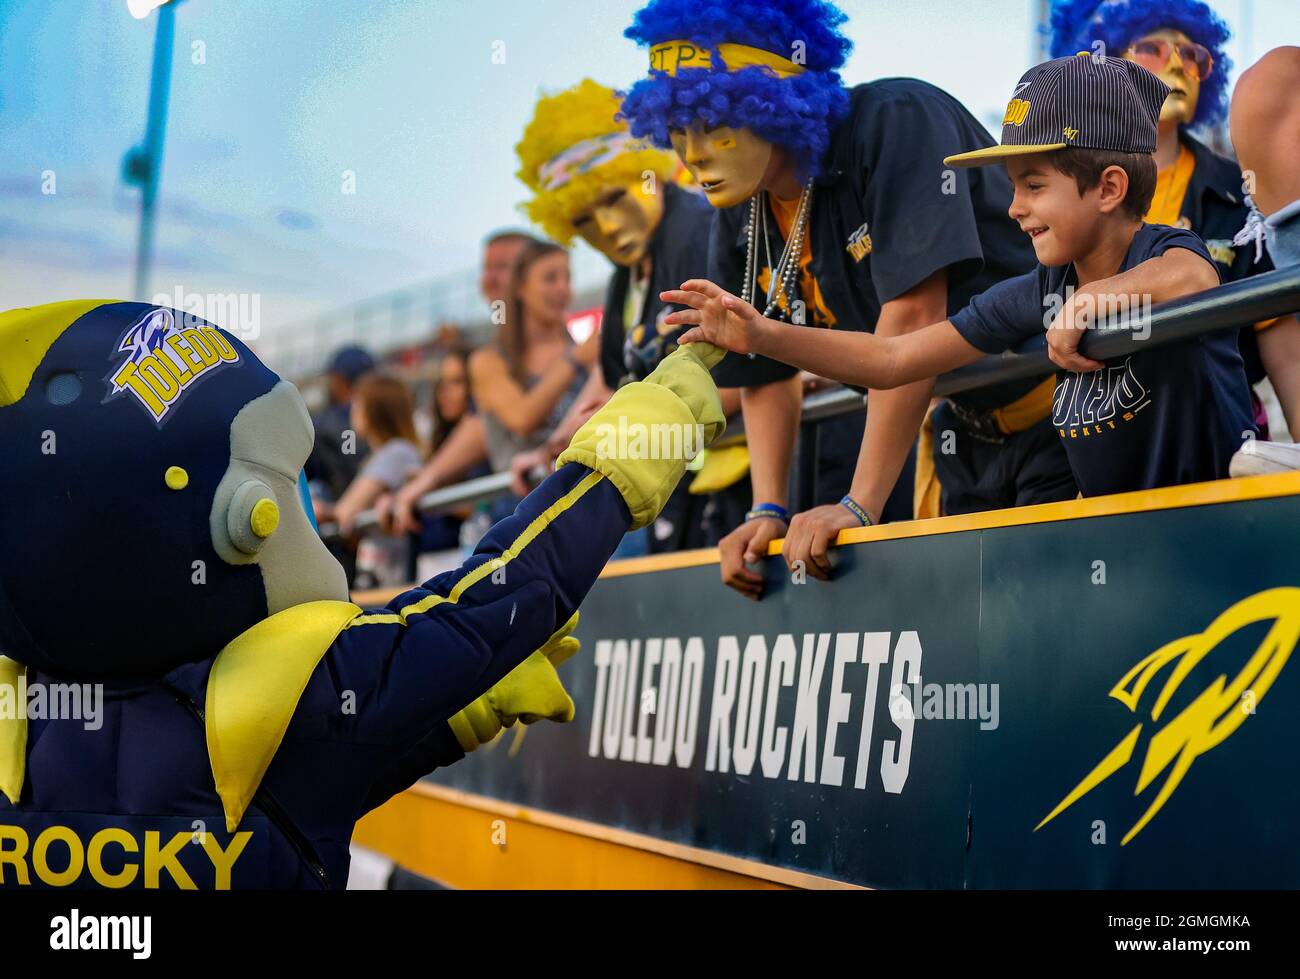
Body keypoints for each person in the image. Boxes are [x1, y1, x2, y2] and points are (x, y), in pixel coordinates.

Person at [0, 298, 725, 889]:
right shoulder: (294, 698)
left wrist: (450, 721)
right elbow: (502, 595)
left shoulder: (18, 714)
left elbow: (306, 778)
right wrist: (639, 439)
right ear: (242, 521)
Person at [670, 55, 1254, 539]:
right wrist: (764, 336)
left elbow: (1193, 277)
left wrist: (1099, 298)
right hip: (1133, 542)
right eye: (1012, 188)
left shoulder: (1164, 249)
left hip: (1223, 529)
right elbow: (895, 359)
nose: (1013, 208)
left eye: (1033, 186)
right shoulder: (1035, 291)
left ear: (1108, 187)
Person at [619, 0, 1076, 600]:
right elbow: (760, 370)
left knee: (1058, 623)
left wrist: (859, 505)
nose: (693, 153)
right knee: (973, 630)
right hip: (959, 430)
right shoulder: (742, 209)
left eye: (715, 124)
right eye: (679, 130)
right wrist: (767, 507)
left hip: (1066, 408)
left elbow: (912, 319)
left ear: (776, 103)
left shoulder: (895, 118)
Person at [513, 78, 746, 552]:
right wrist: (557, 442)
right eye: (582, 221)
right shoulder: (626, 273)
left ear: (651, 172)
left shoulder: (703, 232)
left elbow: (752, 373)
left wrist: (626, 422)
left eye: (616, 198)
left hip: (758, 487)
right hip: (686, 494)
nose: (608, 228)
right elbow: (616, 372)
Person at [1051, 0, 1300, 436]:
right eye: (1152, 49)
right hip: (1099, 444)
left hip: (1218, 441)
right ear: (1105, 62)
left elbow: (1286, 351)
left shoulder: (1242, 190)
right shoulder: (1058, 193)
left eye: (1195, 56)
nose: (1179, 67)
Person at [383, 231, 545, 536]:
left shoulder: (567, 350)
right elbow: (483, 423)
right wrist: (424, 482)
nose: (489, 279)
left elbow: (516, 418)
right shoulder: (497, 354)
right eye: (487, 268)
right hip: (518, 529)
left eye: (503, 267)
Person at [469, 240, 598, 519]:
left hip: (588, 495)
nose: (563, 288)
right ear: (520, 288)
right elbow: (522, 418)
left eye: (567, 278)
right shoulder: (489, 361)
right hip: (521, 507)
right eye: (550, 278)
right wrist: (575, 359)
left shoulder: (586, 353)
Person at [316, 372, 424, 587]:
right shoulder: (389, 453)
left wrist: (321, 511)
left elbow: (345, 511)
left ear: (375, 411)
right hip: (385, 573)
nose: (352, 410)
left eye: (358, 403)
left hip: (392, 578)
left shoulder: (396, 452)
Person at [305, 344, 374, 505]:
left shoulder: (324, 422)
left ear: (339, 379)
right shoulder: (386, 414)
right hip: (374, 509)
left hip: (341, 513)